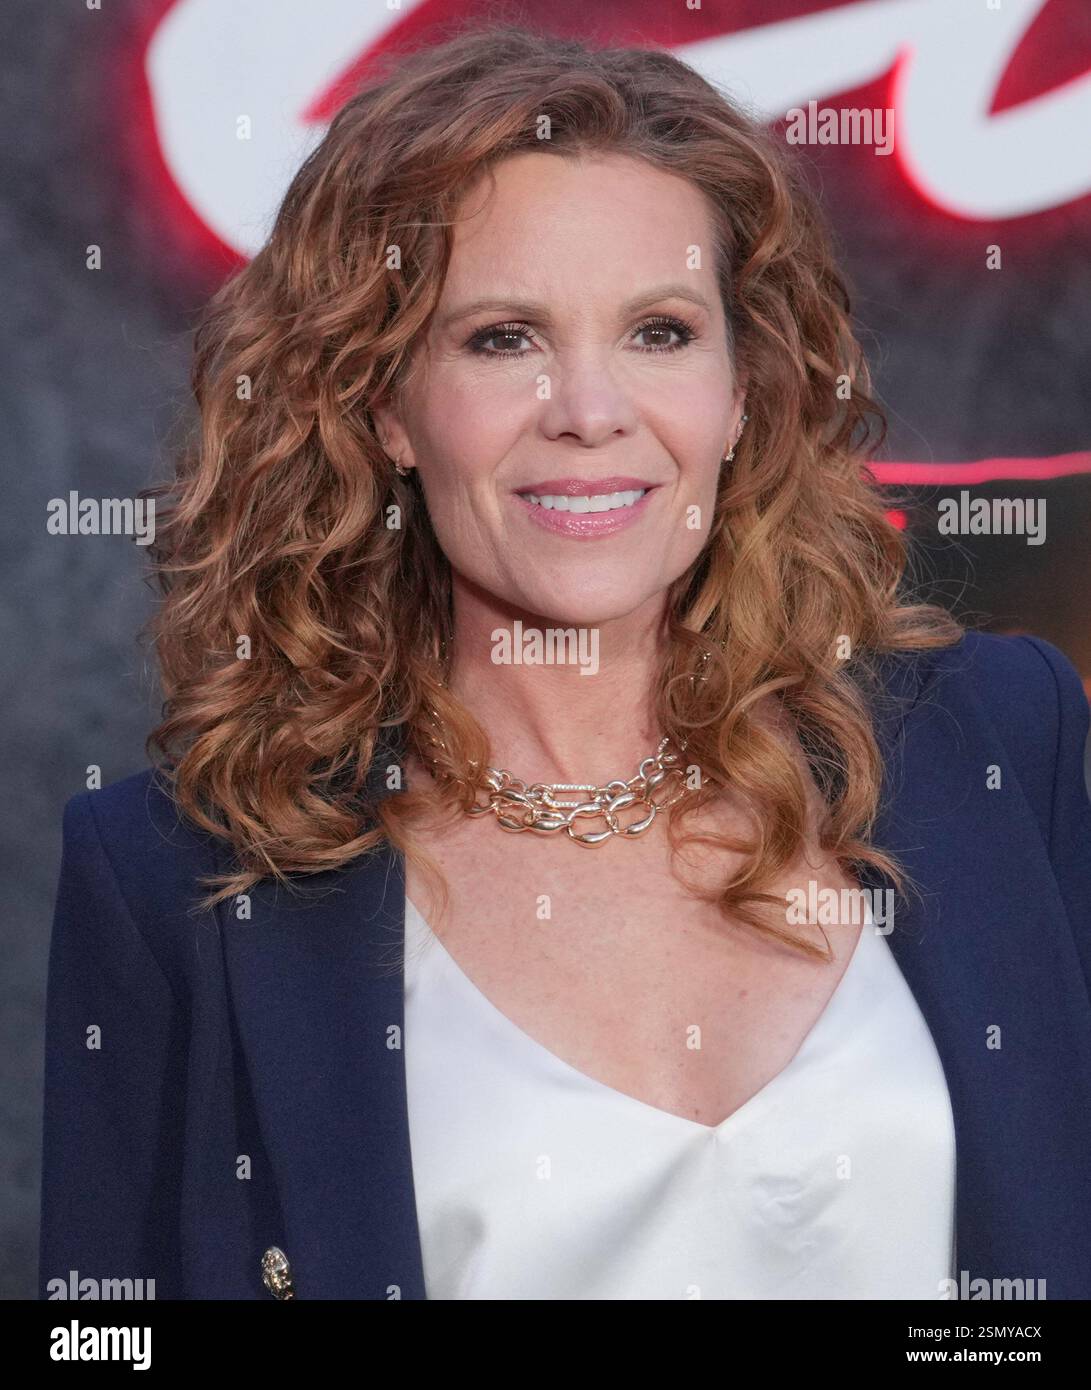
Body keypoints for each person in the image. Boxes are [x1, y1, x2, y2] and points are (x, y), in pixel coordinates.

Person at [39, 23, 1091, 1302]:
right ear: (384, 406)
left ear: (743, 387)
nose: (589, 410)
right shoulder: (178, 879)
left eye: (657, 331)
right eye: (503, 338)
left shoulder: (994, 739)